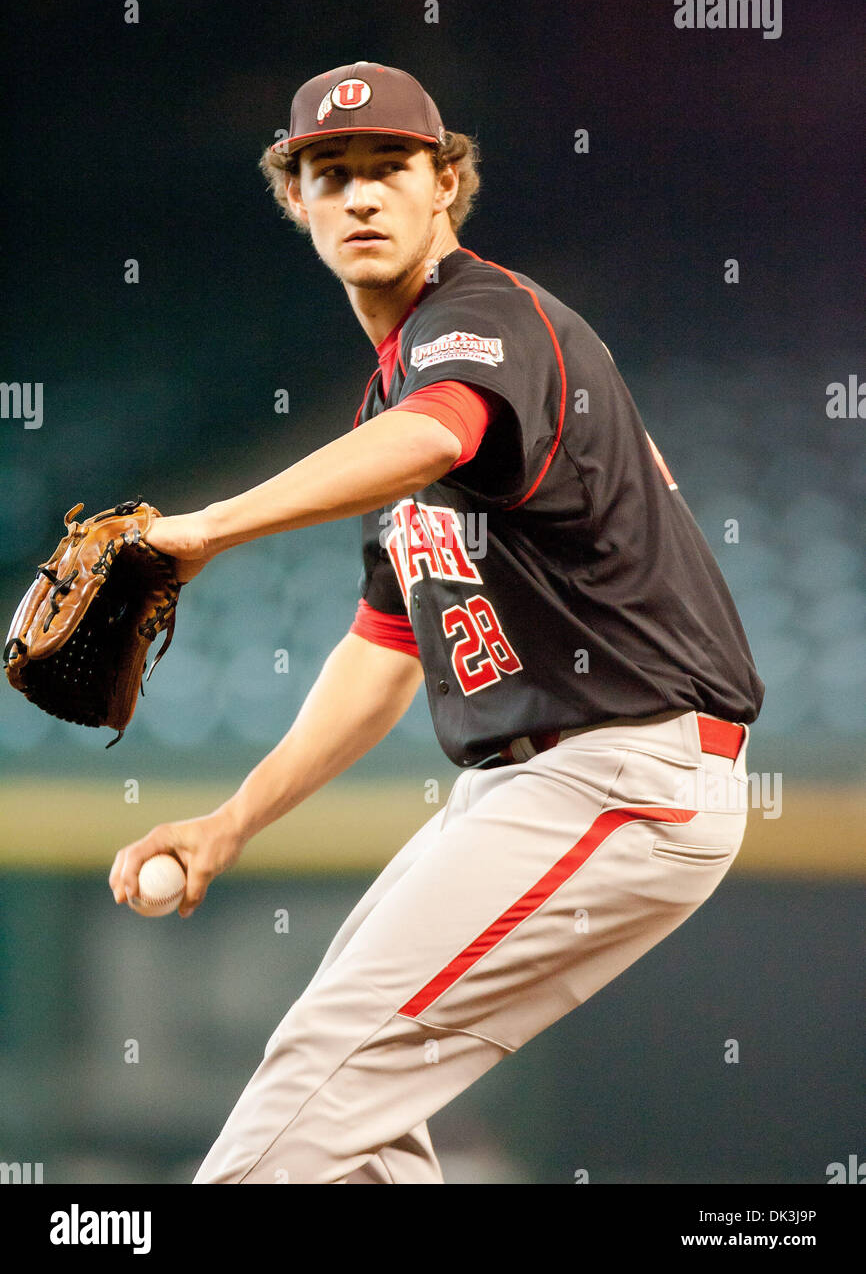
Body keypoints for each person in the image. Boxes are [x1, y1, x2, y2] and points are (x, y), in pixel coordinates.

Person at [109, 62, 764, 1184]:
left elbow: (438, 433)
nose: (361, 194)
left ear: (445, 183)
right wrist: (231, 821)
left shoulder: (482, 317)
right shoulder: (390, 392)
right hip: (536, 784)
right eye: (331, 173)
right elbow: (385, 647)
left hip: (623, 770)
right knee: (360, 1114)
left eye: (390, 167)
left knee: (318, 1075)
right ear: (296, 200)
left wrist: (209, 526)